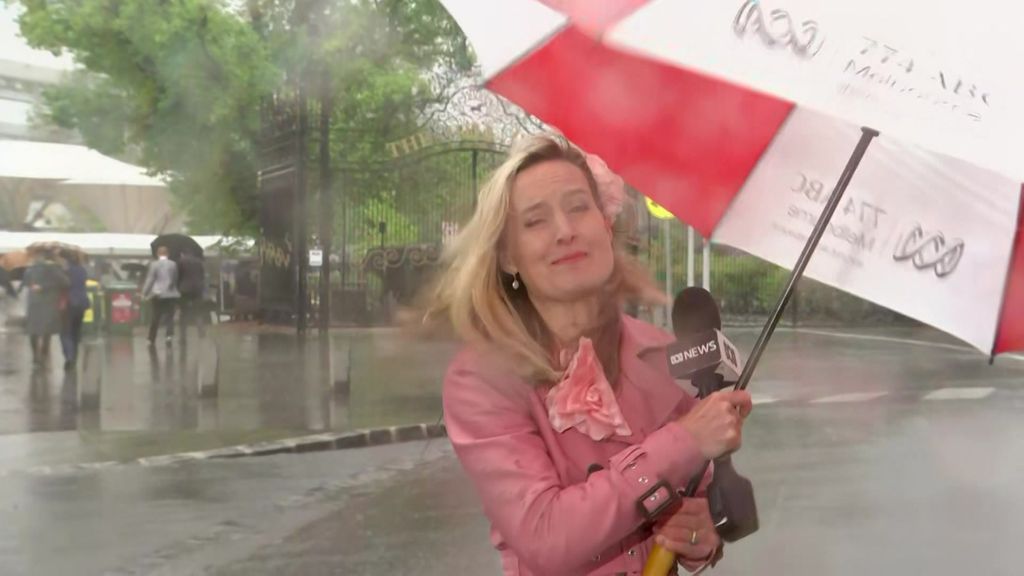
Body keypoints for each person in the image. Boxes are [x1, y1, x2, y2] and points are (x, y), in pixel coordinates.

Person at [411, 134, 752, 576]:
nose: (565, 231)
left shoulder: (658, 352)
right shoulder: (482, 379)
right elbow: (545, 536)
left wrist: (700, 538)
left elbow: (695, 497)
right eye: (535, 221)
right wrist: (683, 441)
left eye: (578, 208)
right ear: (509, 256)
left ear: (605, 225)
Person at [23, 249, 69, 367]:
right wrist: (45, 286)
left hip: (33, 302)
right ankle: (43, 355)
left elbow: (26, 282)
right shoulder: (54, 269)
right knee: (46, 330)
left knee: (33, 330)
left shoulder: (30, 268)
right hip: (48, 303)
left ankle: (35, 357)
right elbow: (65, 282)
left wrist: (36, 286)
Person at [142, 246, 180, 346]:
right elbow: (175, 278)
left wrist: (144, 292)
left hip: (158, 294)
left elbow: (150, 280)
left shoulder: (154, 264)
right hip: (171, 294)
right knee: (170, 316)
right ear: (168, 254)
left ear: (158, 254)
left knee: (156, 316)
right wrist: (171, 286)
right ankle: (169, 336)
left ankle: (151, 338)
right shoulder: (173, 264)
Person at [59, 250, 90, 369]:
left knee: (65, 332)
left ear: (66, 260)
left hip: (69, 304)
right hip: (82, 303)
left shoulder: (65, 272)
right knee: (76, 331)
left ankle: (69, 357)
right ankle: (74, 356)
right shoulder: (82, 270)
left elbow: (63, 285)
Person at [176, 252, 206, 340]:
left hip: (185, 289)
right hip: (197, 289)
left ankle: (183, 335)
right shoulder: (199, 262)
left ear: (183, 253)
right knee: (198, 310)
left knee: (184, 312)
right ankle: (201, 330)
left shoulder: (181, 261)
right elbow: (202, 275)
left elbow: (178, 276)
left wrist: (178, 287)